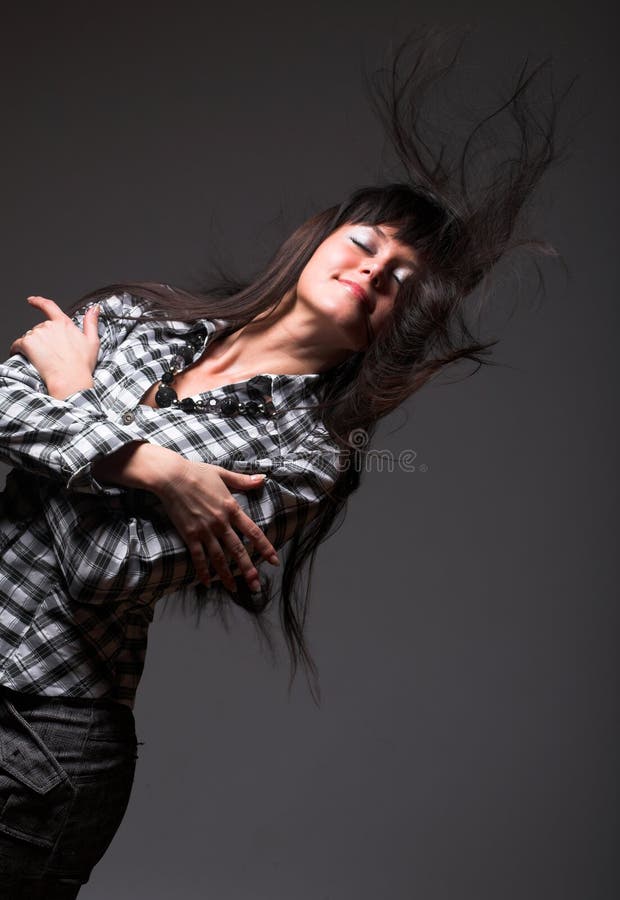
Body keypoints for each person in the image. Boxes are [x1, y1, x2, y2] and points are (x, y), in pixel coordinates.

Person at [0, 31, 570, 898]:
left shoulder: (303, 461)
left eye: (403, 277)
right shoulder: (136, 317)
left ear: (401, 319)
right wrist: (152, 466)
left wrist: (76, 399)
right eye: (367, 242)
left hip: (43, 739)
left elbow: (96, 566)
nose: (375, 268)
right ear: (320, 238)